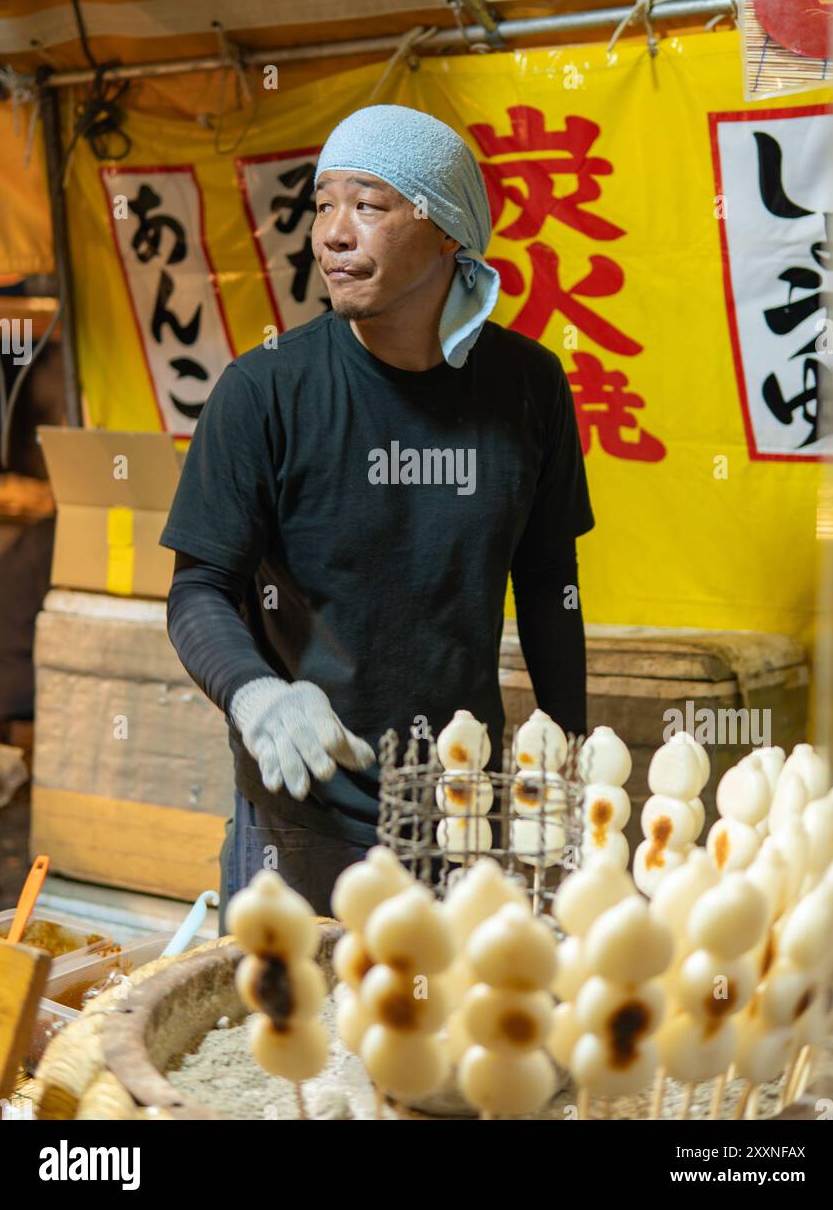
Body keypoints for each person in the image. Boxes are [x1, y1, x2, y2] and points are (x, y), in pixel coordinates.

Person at [160, 103, 594, 927]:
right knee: (291, 1013)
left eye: (367, 205)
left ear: (447, 231)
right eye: (323, 204)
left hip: (461, 808)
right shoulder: (265, 391)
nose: (332, 234)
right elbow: (198, 590)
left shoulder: (528, 386)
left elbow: (548, 584)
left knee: (444, 1010)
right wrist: (257, 695)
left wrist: (568, 763)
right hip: (301, 813)